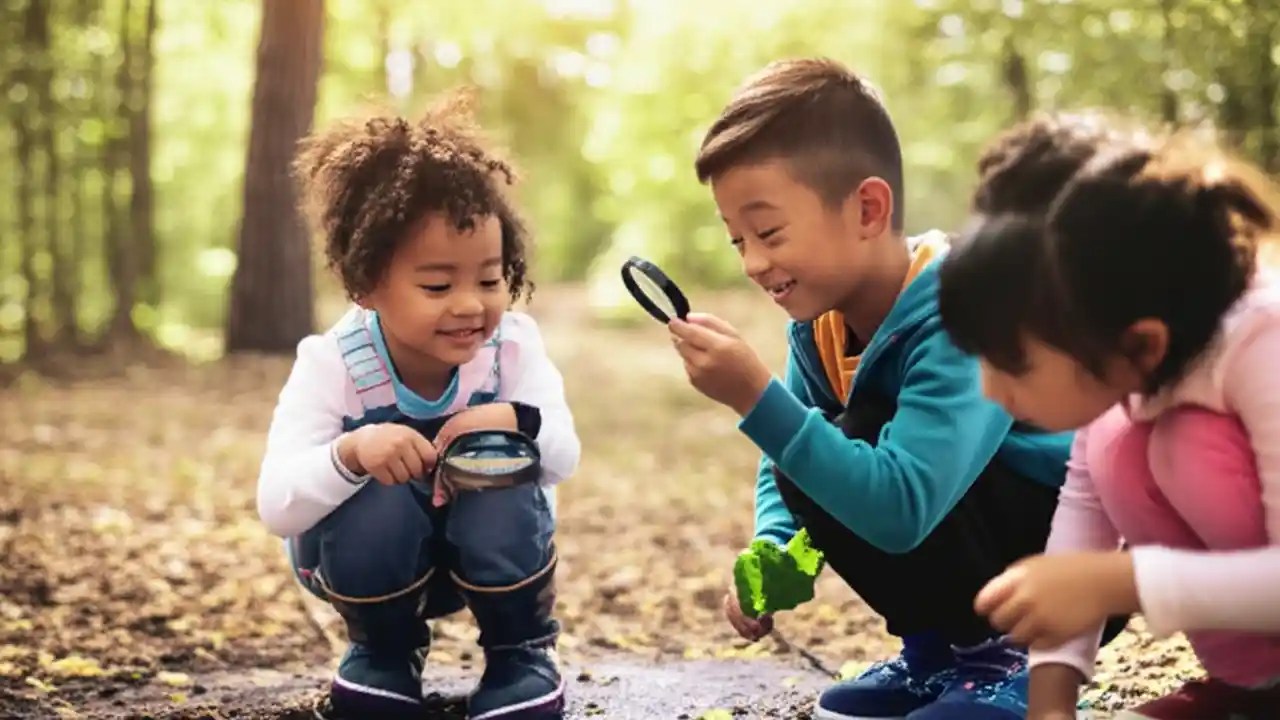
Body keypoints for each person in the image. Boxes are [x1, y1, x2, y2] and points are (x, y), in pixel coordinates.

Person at [667, 57, 1078, 720]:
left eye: (769, 233)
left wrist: (754, 397)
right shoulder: (823, 328)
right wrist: (775, 549)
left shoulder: (963, 311)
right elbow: (790, 468)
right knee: (830, 440)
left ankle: (1014, 661)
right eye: (737, 239)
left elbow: (902, 504)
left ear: (867, 207)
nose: (752, 263)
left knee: (855, 438)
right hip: (971, 535)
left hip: (1064, 551)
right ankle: (937, 656)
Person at [255, 92, 580, 720]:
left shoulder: (511, 348)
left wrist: (513, 421)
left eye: (489, 279)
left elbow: (564, 455)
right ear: (366, 283)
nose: (468, 304)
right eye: (437, 284)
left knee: (502, 457)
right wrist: (351, 454)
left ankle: (521, 654)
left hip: (488, 560)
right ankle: (382, 656)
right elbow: (277, 504)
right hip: (365, 566)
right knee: (370, 482)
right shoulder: (334, 364)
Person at [939, 131, 1280, 719]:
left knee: (1182, 444)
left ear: (1141, 343)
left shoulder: (1262, 344)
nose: (991, 391)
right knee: (1116, 444)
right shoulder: (1120, 376)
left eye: (1013, 364)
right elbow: (1079, 527)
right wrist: (1051, 707)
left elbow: (1091, 577)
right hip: (1253, 688)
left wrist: (1116, 583)